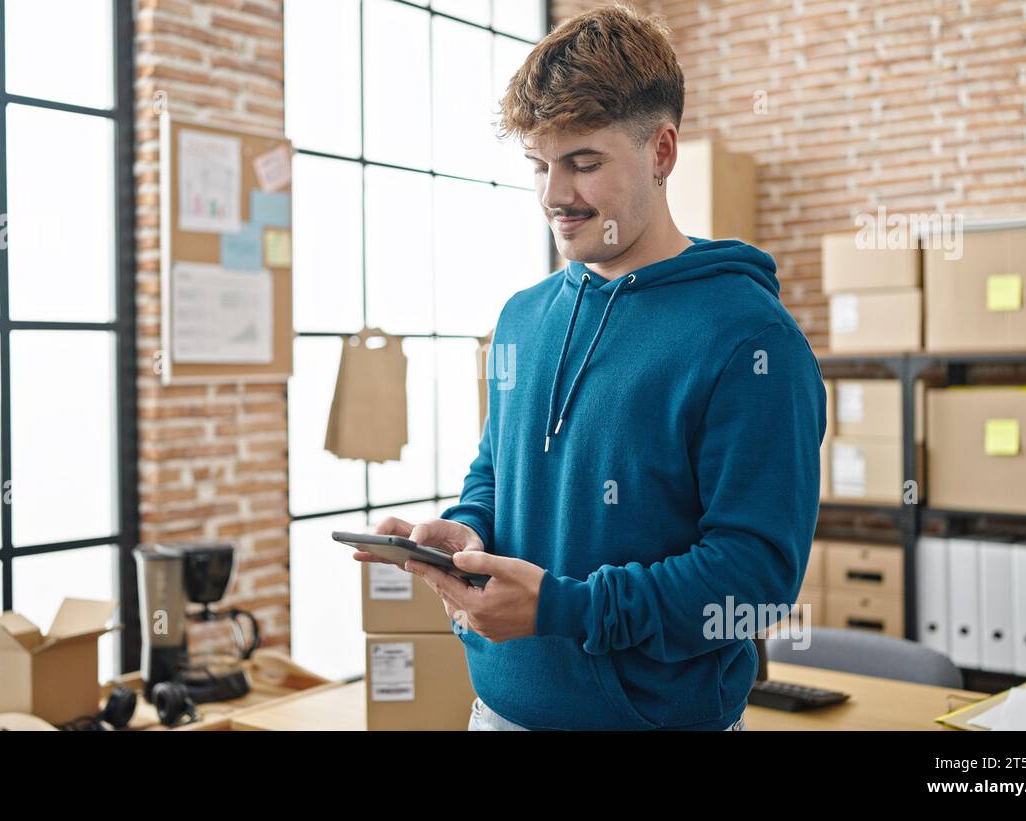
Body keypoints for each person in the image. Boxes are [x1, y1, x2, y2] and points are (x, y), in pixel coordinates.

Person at [351, 4, 825, 731]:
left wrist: (563, 608)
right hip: (495, 713)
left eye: (583, 163)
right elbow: (497, 472)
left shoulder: (751, 341)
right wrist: (470, 529)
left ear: (661, 151)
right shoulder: (521, 317)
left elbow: (754, 585)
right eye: (540, 165)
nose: (553, 197)